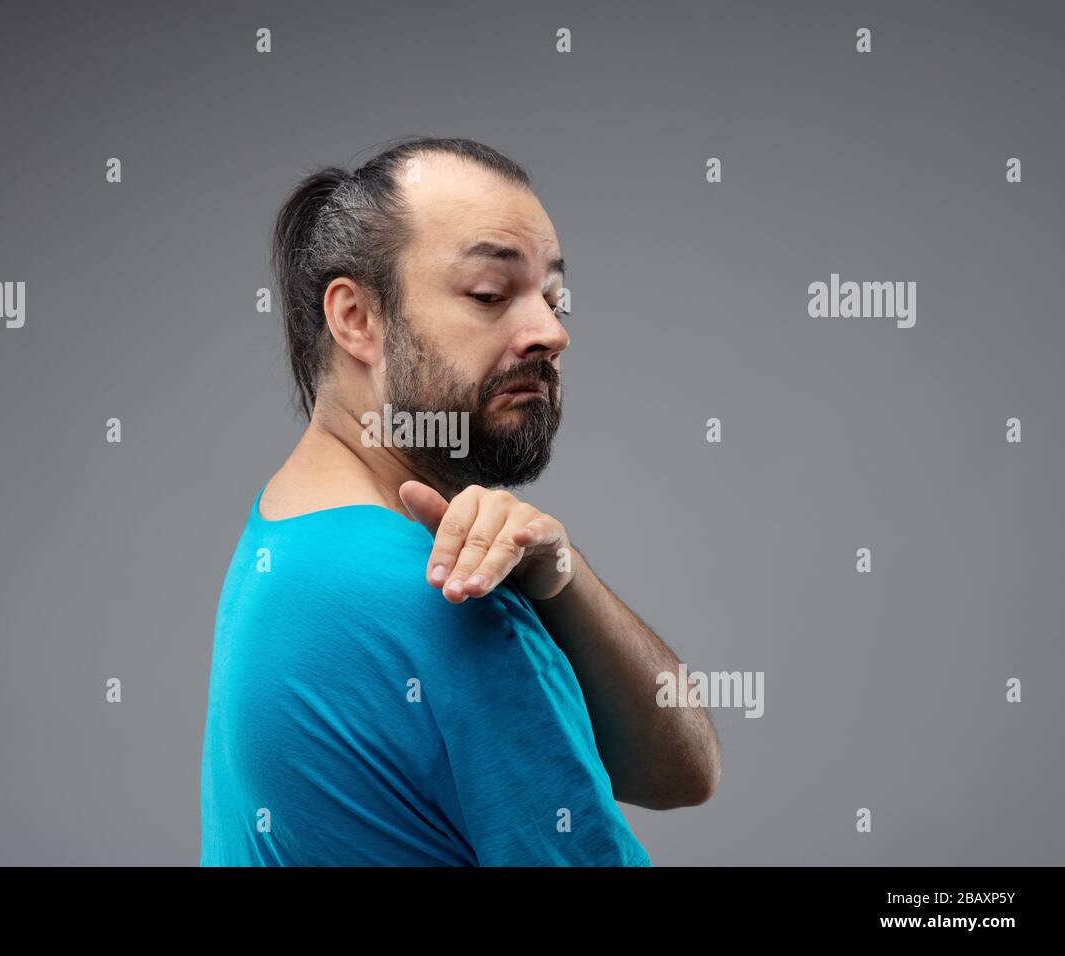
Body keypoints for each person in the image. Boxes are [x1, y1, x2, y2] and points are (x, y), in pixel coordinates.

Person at [200, 136, 720, 865]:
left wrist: (561, 575)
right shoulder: (447, 602)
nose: (552, 332)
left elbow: (681, 772)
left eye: (553, 297)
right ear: (356, 319)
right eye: (489, 294)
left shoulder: (284, 531)